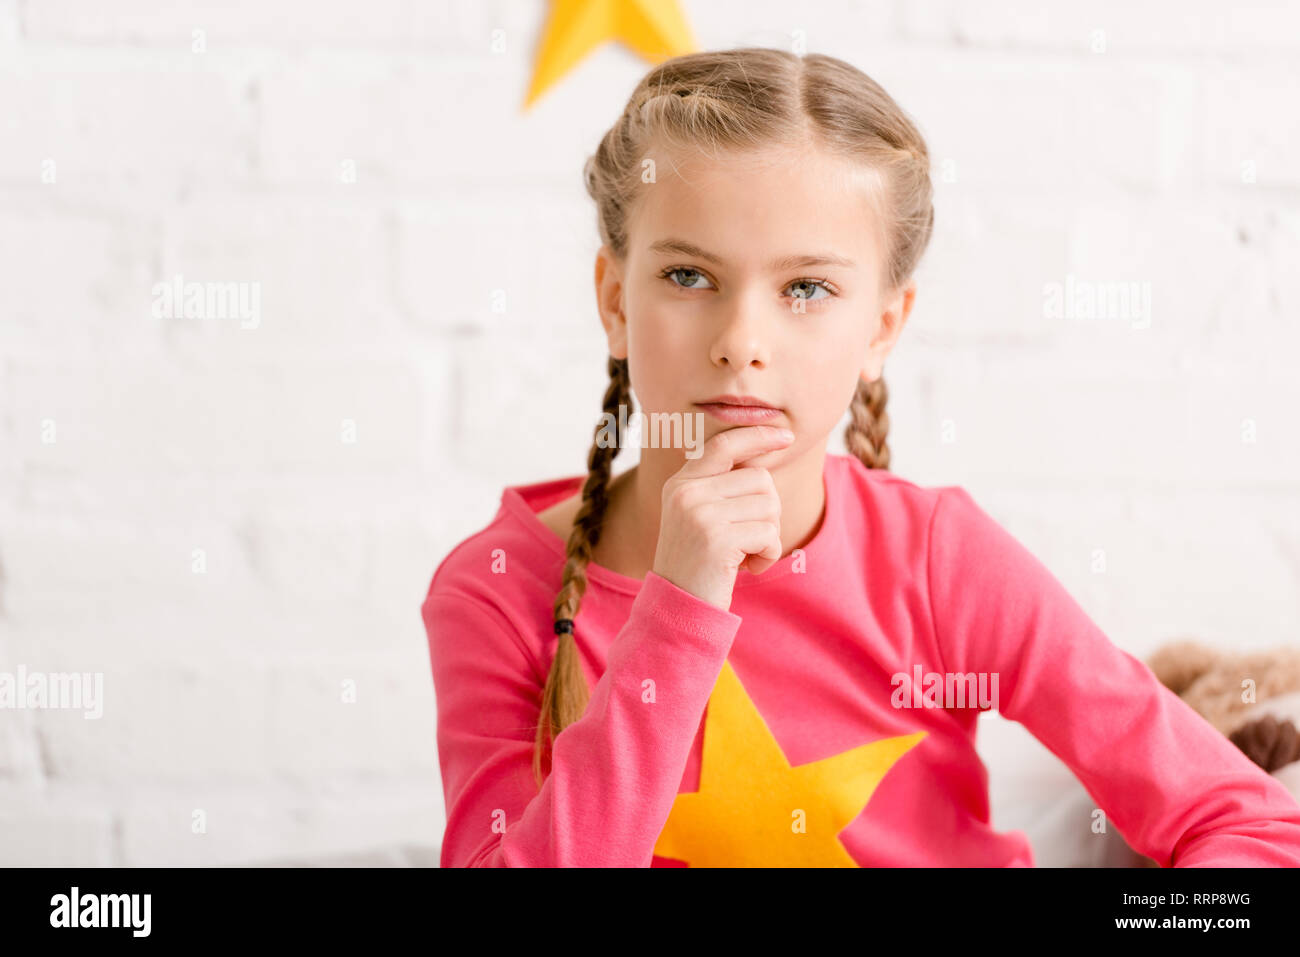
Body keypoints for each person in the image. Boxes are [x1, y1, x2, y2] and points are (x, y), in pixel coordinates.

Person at [421, 47, 1300, 867]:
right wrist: (681, 605)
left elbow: (1246, 819)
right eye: (689, 276)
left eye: (806, 289)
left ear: (882, 327)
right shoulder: (496, 590)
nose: (741, 342)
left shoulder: (938, 557)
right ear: (615, 300)